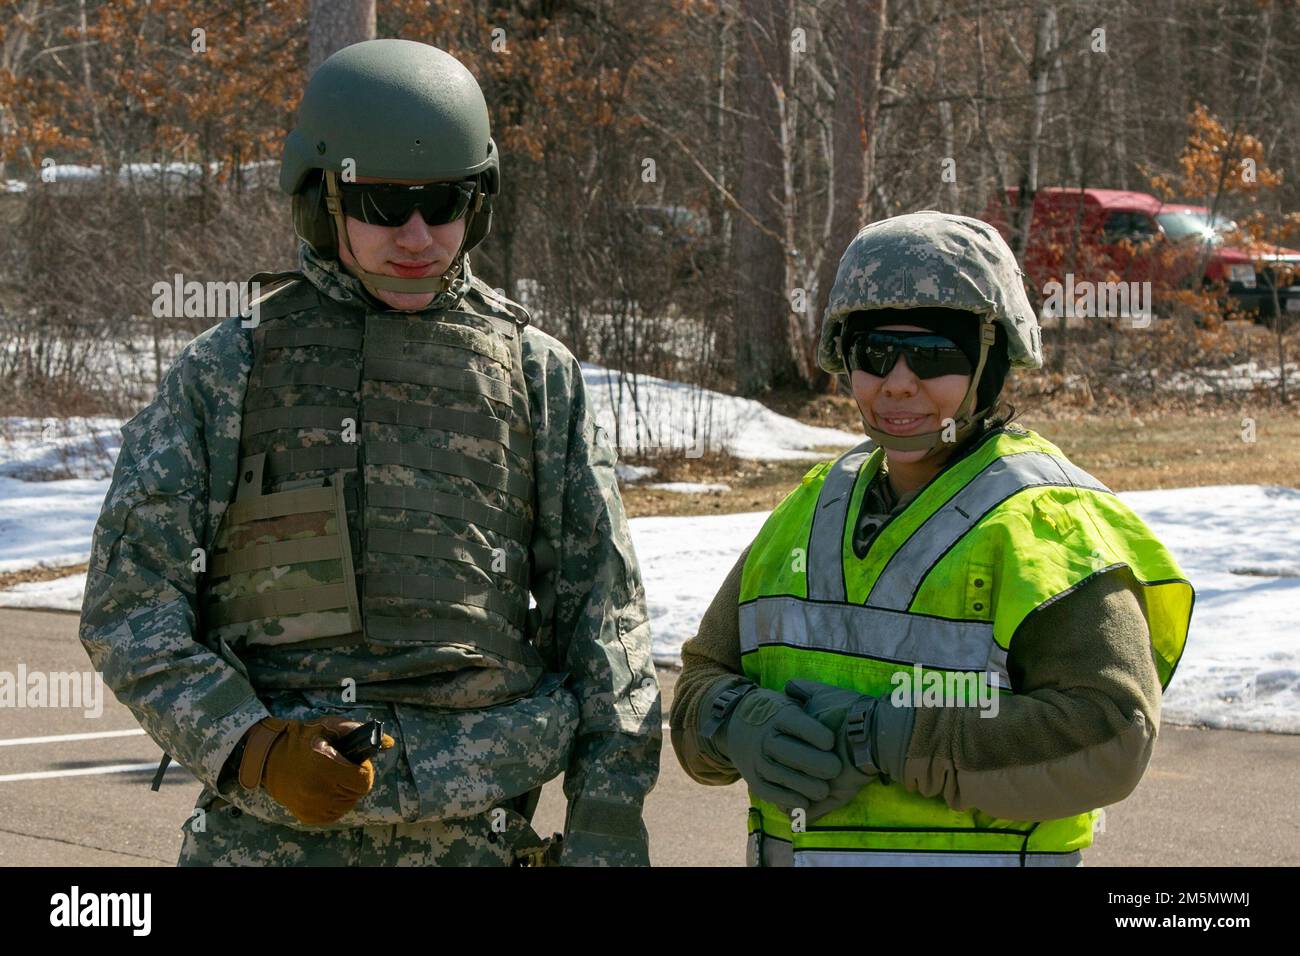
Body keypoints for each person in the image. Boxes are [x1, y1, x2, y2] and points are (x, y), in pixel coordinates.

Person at [78, 38, 660, 867]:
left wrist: (608, 821)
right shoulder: (230, 368)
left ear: (481, 201)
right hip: (270, 838)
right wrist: (254, 747)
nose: (419, 235)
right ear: (321, 198)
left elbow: (607, 627)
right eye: (384, 206)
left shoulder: (536, 375)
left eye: (445, 202)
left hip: (479, 839)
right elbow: (129, 606)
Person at [670, 210, 1192, 866]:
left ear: (992, 360)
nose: (898, 381)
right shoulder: (806, 515)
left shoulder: (1046, 525)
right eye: (874, 353)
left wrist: (889, 738)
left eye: (935, 356)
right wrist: (734, 723)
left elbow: (1110, 734)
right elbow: (700, 684)